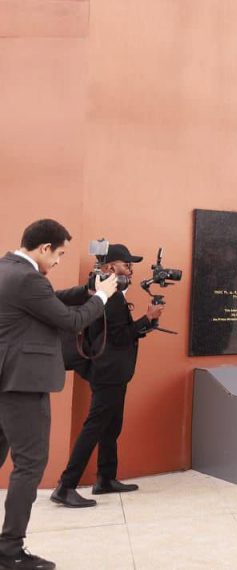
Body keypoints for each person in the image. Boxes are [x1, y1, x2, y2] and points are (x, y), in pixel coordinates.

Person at [0, 219, 118, 570]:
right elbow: (71, 322)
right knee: (30, 465)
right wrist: (102, 295)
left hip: (6, 380)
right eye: (59, 254)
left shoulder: (8, 270)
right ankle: (9, 551)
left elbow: (46, 301)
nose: (59, 261)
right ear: (44, 248)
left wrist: (85, 290)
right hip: (23, 384)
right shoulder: (27, 278)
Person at [50, 244, 165, 508]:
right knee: (95, 427)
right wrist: (147, 319)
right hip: (108, 372)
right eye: (127, 265)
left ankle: (105, 478)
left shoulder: (111, 295)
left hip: (113, 371)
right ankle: (65, 486)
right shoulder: (110, 298)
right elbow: (119, 336)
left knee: (111, 426)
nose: (131, 271)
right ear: (111, 268)